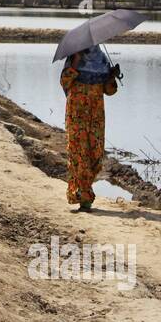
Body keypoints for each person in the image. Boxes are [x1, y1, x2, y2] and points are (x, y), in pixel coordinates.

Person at [59, 46, 121, 212]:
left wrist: (111, 76)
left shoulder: (101, 59)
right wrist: (76, 62)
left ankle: (84, 192)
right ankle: (84, 198)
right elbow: (65, 82)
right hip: (76, 113)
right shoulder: (74, 57)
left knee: (95, 153)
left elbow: (110, 91)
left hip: (95, 115)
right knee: (79, 153)